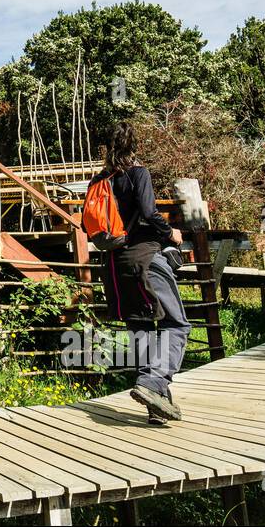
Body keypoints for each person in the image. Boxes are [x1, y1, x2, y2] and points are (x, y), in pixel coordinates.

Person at [96, 121, 190, 424]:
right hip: (144, 259)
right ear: (134, 145)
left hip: (113, 265)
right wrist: (171, 234)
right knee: (176, 324)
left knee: (141, 332)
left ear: (106, 148)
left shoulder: (99, 180)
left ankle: (159, 409)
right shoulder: (138, 173)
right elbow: (149, 213)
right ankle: (152, 383)